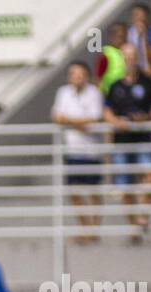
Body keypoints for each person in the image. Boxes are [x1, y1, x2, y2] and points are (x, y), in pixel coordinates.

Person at [104, 45, 151, 240]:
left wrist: (145, 118)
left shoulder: (148, 83)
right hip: (122, 141)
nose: (130, 60)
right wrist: (116, 122)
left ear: (137, 58)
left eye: (133, 56)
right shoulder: (115, 85)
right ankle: (133, 228)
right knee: (124, 187)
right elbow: (107, 111)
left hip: (143, 138)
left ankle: (142, 216)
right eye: (126, 57)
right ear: (122, 59)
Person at [51, 62, 105, 243]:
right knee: (74, 191)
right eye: (73, 74)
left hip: (91, 151)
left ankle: (95, 229)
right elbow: (57, 118)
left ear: (87, 76)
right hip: (72, 150)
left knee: (93, 191)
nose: (77, 78)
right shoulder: (63, 93)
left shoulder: (94, 93)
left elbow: (93, 122)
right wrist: (79, 123)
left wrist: (69, 121)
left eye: (80, 74)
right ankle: (83, 228)